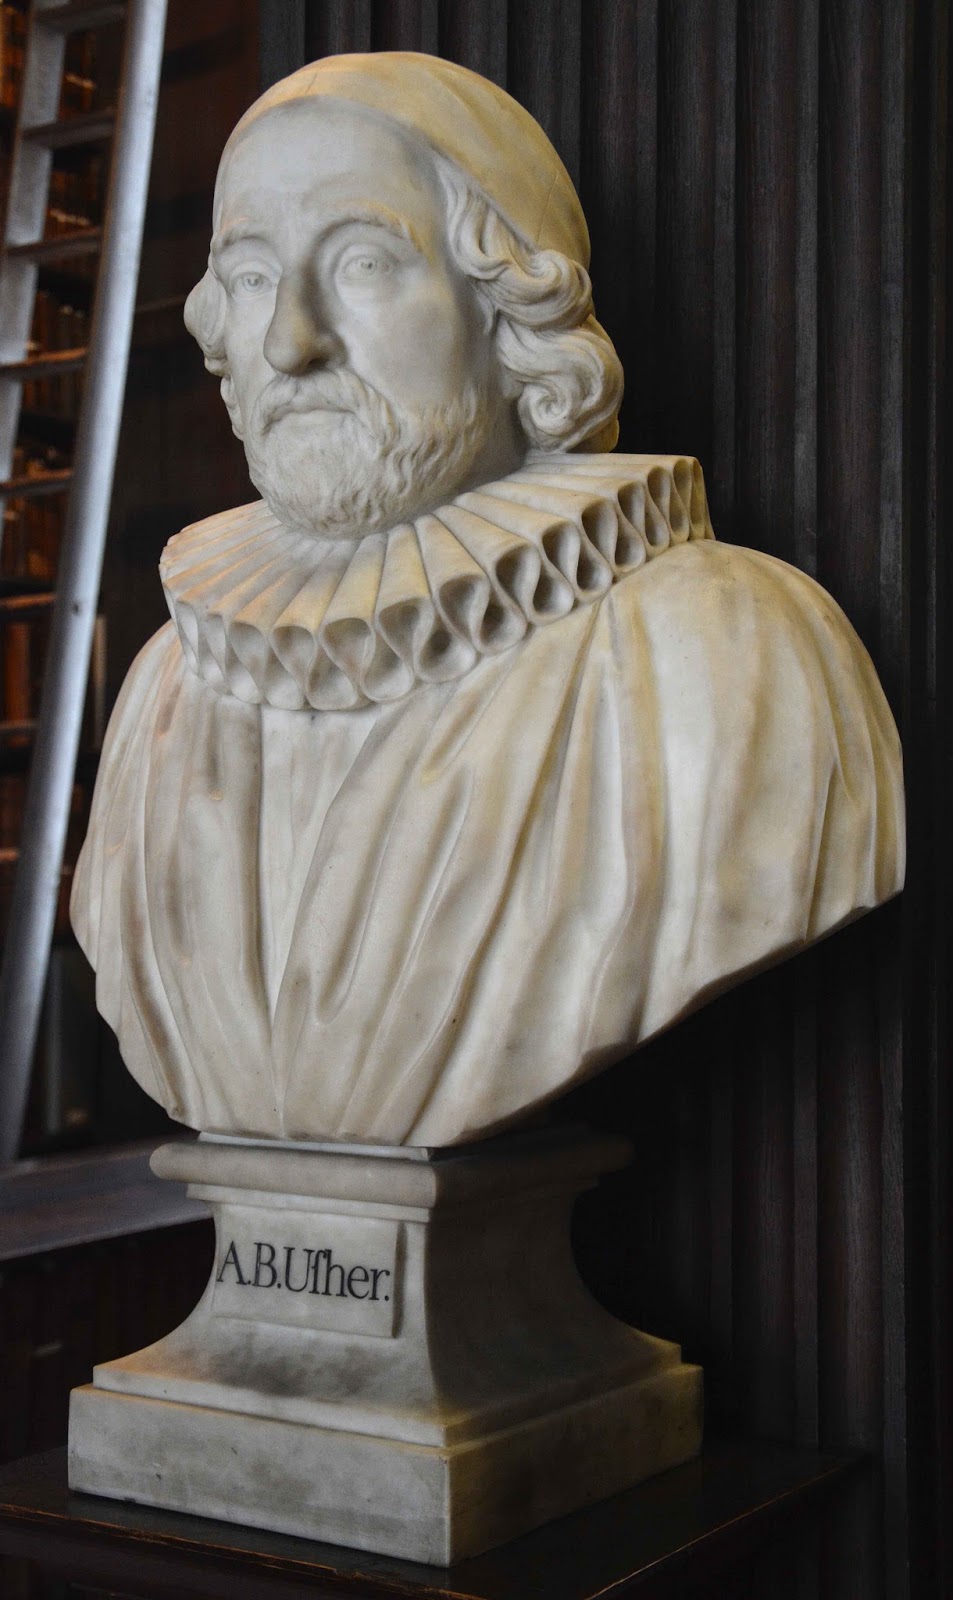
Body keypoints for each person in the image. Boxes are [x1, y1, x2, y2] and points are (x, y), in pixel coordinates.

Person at [71, 53, 904, 1147]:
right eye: (254, 272)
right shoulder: (166, 685)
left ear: (511, 305)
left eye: (363, 260)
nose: (290, 342)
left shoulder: (731, 649)